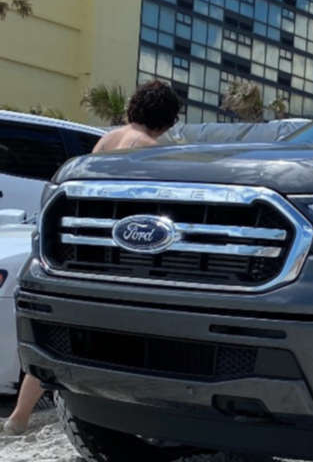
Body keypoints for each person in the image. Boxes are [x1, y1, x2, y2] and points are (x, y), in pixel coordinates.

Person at [2, 80, 180, 435]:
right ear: (167, 119)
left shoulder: (107, 139)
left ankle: (19, 417)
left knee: (60, 334)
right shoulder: (148, 148)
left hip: (81, 247)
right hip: (117, 253)